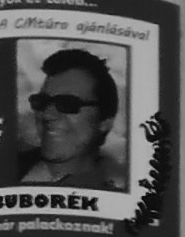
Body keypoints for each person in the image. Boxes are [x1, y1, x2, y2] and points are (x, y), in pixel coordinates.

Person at [12, 50, 128, 192]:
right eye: (41, 102)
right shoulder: (4, 165)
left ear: (105, 121)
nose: (48, 115)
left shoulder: (116, 193)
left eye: (67, 104)